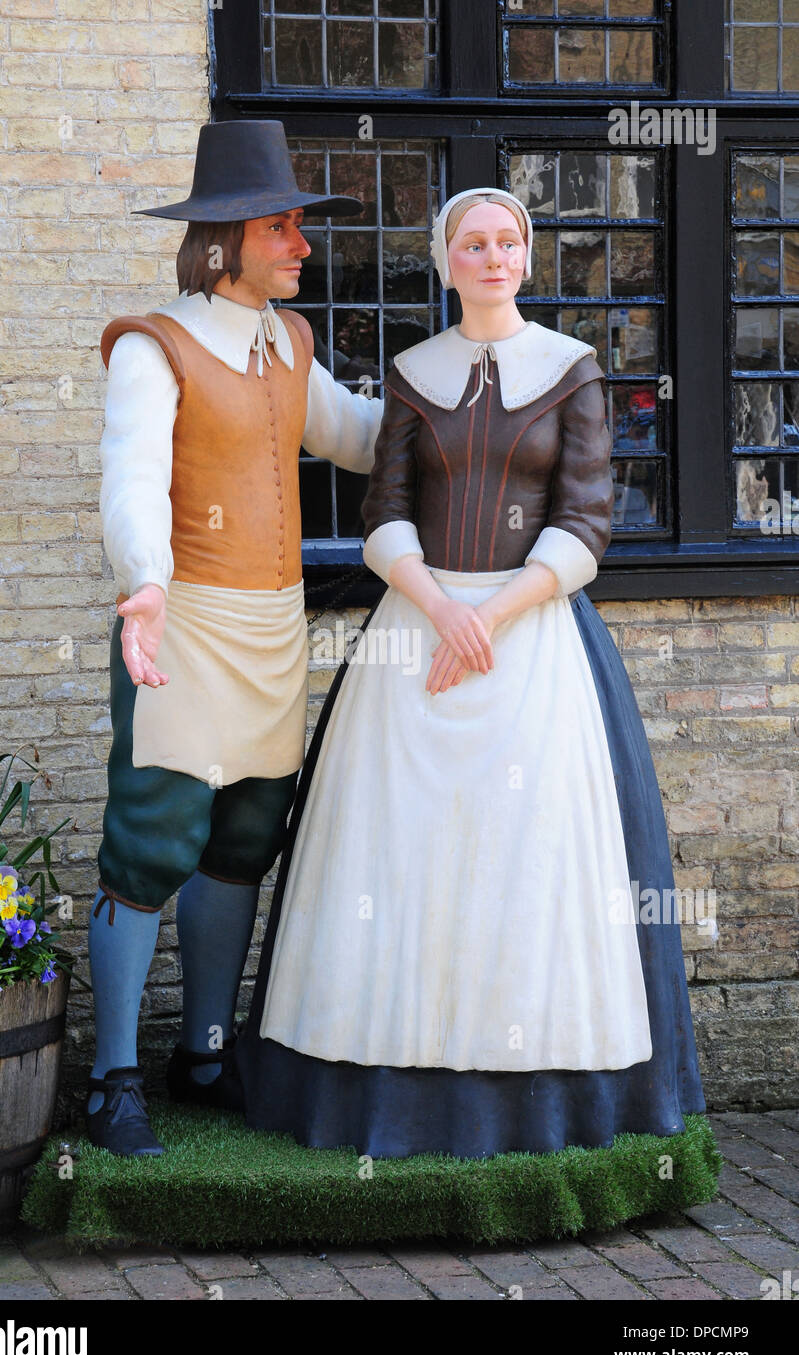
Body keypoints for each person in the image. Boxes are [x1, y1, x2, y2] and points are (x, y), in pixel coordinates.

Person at [236, 186, 706, 1159]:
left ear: (524, 259)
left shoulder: (571, 371)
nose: (490, 258)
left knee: (528, 863)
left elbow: (584, 523)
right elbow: (384, 508)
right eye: (471, 243)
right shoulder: (411, 373)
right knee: (396, 854)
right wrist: (439, 607)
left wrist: (486, 615)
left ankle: (540, 1106)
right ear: (447, 260)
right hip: (417, 635)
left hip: (533, 645)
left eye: (506, 242)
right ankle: (376, 1099)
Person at [86, 121, 383, 1157]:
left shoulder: (289, 343)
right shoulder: (151, 345)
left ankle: (201, 1054)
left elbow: (348, 433)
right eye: (282, 224)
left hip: (271, 630)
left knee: (244, 837)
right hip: (185, 624)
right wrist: (146, 586)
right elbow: (129, 480)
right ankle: (110, 1078)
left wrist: (456, 409)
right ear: (221, 239)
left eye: (299, 223)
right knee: (152, 837)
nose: (301, 243)